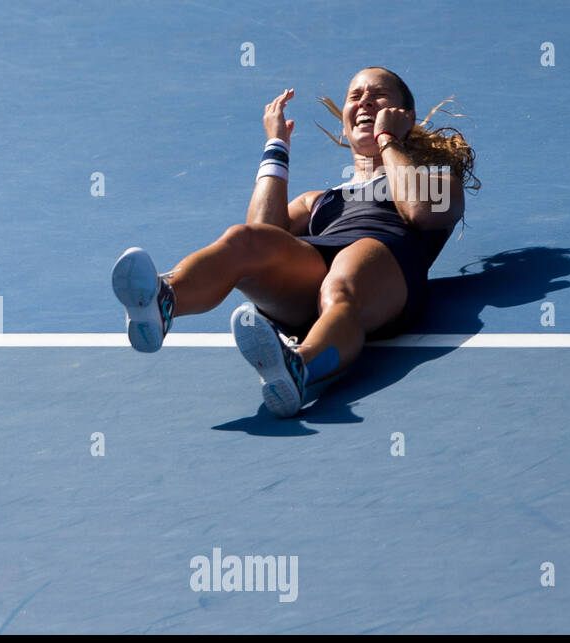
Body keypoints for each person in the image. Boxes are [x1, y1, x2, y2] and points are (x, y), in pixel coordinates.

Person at [113, 67, 478, 416]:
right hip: (316, 274)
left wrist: (388, 140)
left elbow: (417, 211)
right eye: (356, 96)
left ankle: (300, 368)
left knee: (344, 277)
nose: (365, 101)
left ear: (405, 116)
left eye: (378, 95)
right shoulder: (319, 200)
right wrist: (277, 145)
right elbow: (263, 237)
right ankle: (164, 301)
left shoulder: (437, 178)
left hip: (381, 274)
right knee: (244, 239)